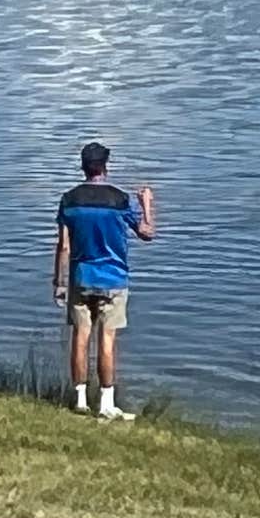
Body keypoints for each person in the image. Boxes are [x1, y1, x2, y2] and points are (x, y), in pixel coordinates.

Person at [52, 142, 155, 419]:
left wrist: (58, 282)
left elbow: (64, 246)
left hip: (80, 277)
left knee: (81, 337)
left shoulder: (69, 199)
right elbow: (147, 234)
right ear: (105, 167)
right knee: (107, 338)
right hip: (113, 278)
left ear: (83, 167)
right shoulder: (120, 200)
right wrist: (146, 205)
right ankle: (107, 404)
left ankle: (80, 399)